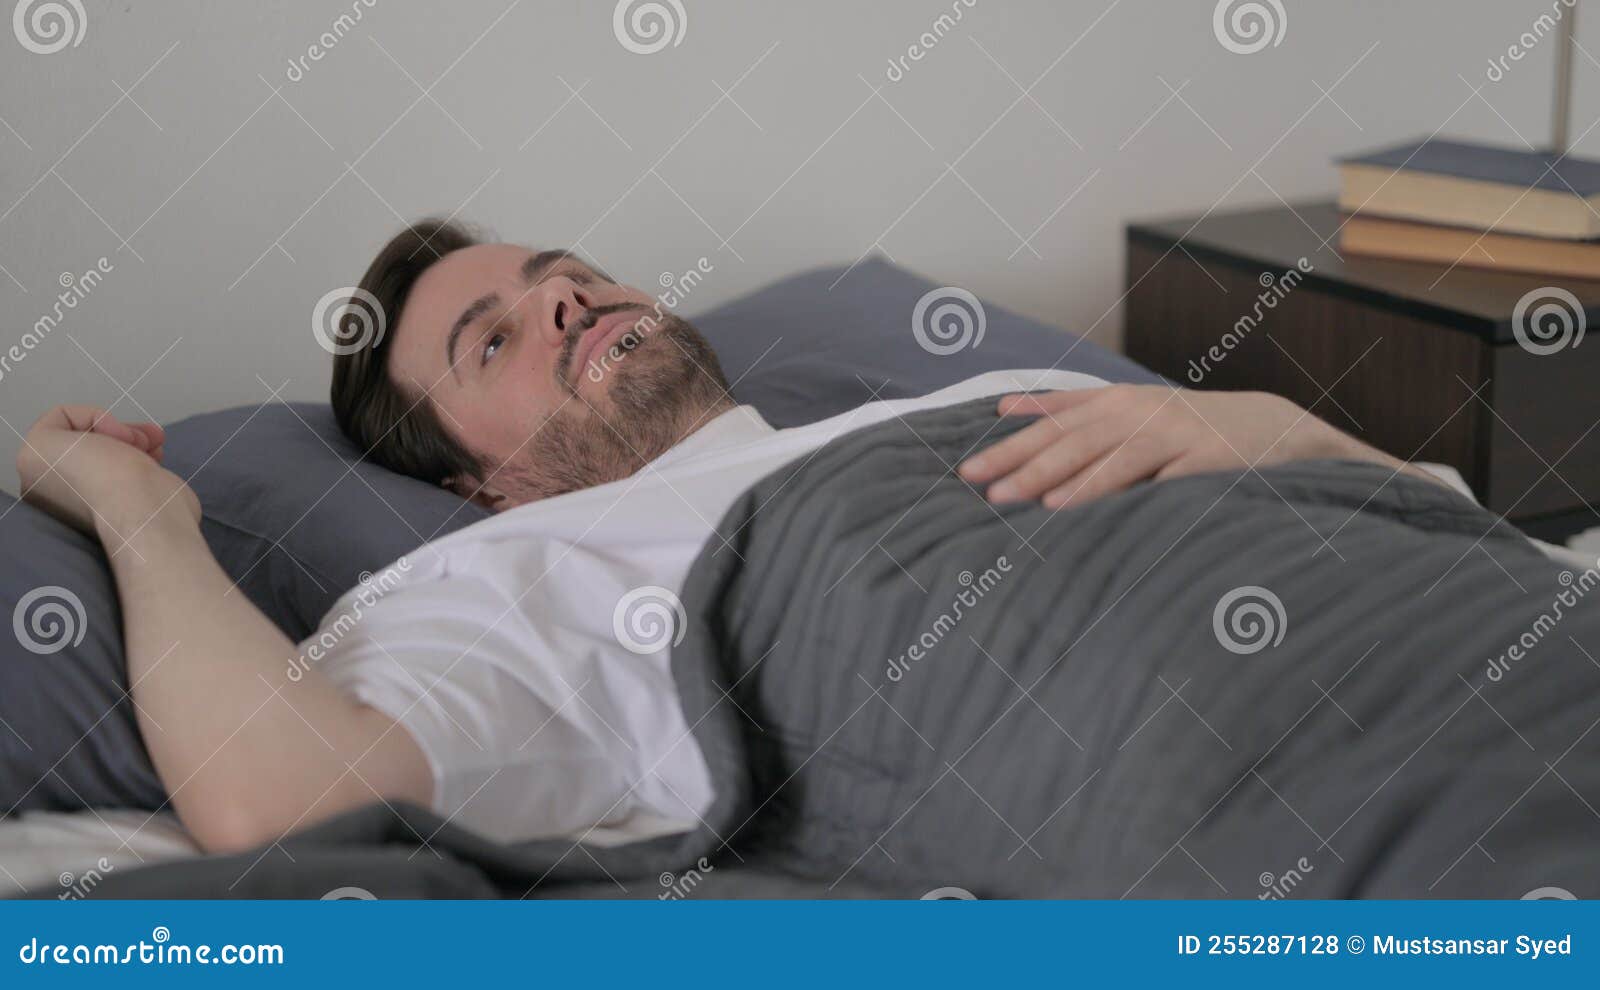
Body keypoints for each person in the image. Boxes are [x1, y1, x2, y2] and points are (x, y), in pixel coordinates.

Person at [16, 219, 1468, 852]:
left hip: (1426, 629)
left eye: (563, 275)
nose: (566, 304)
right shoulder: (514, 569)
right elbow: (284, 803)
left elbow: (1449, 532)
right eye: (494, 339)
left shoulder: (979, 389)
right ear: (481, 480)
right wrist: (140, 511)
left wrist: (1265, 427)